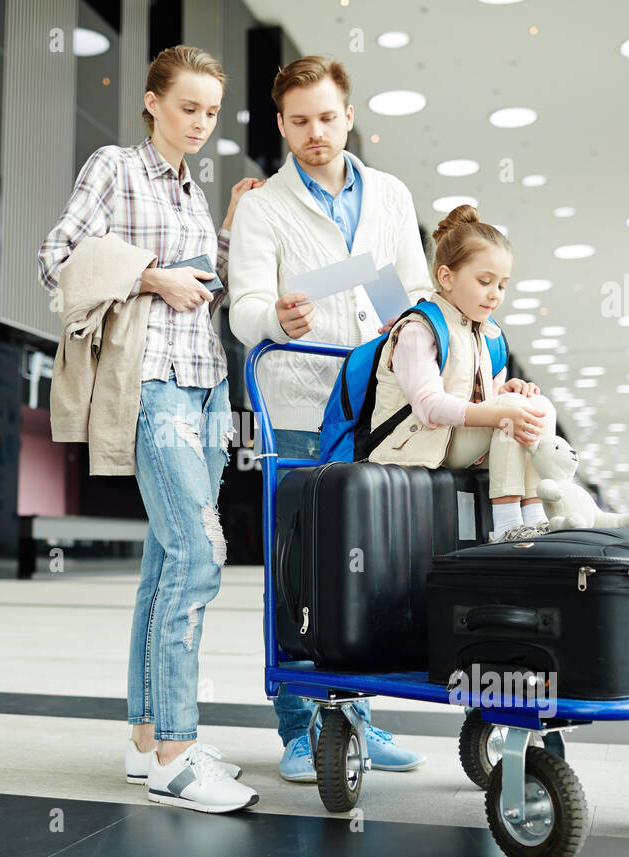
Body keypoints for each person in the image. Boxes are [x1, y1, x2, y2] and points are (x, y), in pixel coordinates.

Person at [38, 45, 263, 813]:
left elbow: (201, 285)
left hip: (204, 389)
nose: (200, 121)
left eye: (210, 110)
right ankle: (176, 752)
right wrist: (147, 275)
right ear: (152, 102)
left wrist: (224, 232)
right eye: (187, 106)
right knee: (200, 553)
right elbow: (56, 258)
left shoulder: (194, 193)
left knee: (165, 559)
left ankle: (146, 740)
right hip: (153, 387)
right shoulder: (116, 167)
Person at [227, 55, 428, 783]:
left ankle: (360, 720)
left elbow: (413, 289)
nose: (316, 132)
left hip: (375, 411)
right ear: (282, 125)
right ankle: (296, 724)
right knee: (298, 571)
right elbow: (243, 308)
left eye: (328, 117)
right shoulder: (262, 207)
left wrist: (406, 323)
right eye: (300, 121)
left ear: (349, 116)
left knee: (369, 568)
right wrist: (274, 314)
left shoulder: (393, 196)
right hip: (303, 407)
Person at [367, 205, 556, 541]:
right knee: (513, 416)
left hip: (455, 439)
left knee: (537, 407)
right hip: (418, 442)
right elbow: (429, 407)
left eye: (502, 285)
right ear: (446, 277)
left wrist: (509, 393)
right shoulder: (418, 329)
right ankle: (510, 524)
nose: (495, 294)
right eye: (485, 281)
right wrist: (501, 411)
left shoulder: (489, 335)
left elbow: (487, 401)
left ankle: (536, 514)